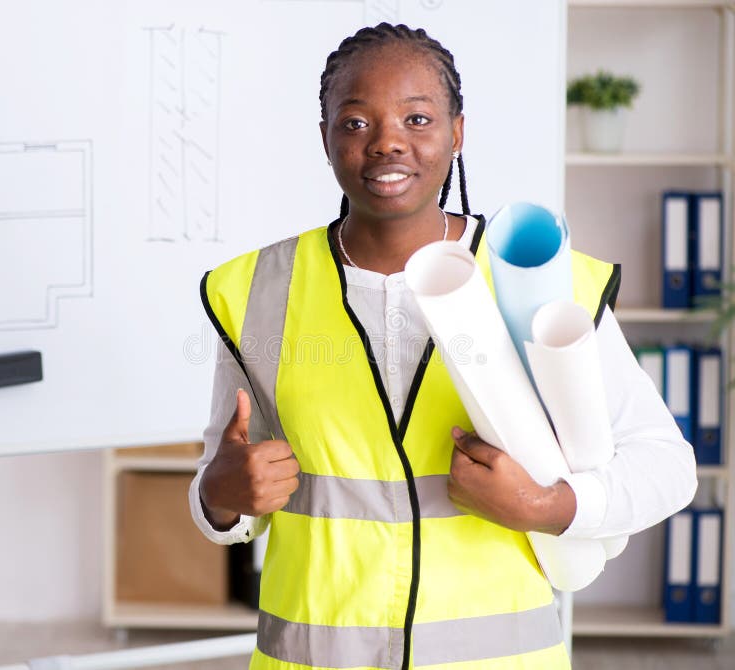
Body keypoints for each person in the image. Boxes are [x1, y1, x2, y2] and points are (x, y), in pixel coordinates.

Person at [189, 23, 697, 670]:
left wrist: (548, 506)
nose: (387, 142)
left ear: (457, 133)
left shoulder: (536, 278)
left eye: (417, 118)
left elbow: (665, 465)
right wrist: (218, 494)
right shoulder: (257, 291)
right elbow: (226, 488)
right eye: (354, 123)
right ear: (324, 138)